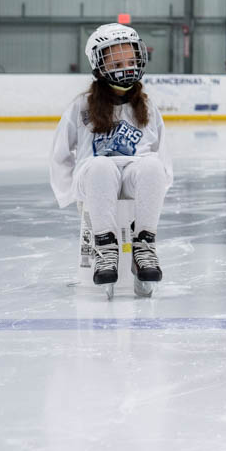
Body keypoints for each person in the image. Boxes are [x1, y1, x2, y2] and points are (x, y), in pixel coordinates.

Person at [49, 22, 173, 297]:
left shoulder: (148, 106)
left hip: (132, 174)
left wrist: (154, 190)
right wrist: (73, 194)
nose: (125, 65)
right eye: (116, 60)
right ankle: (105, 246)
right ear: (99, 63)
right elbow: (60, 153)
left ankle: (144, 245)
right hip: (92, 174)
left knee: (151, 164)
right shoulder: (82, 106)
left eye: (130, 59)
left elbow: (162, 155)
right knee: (101, 165)